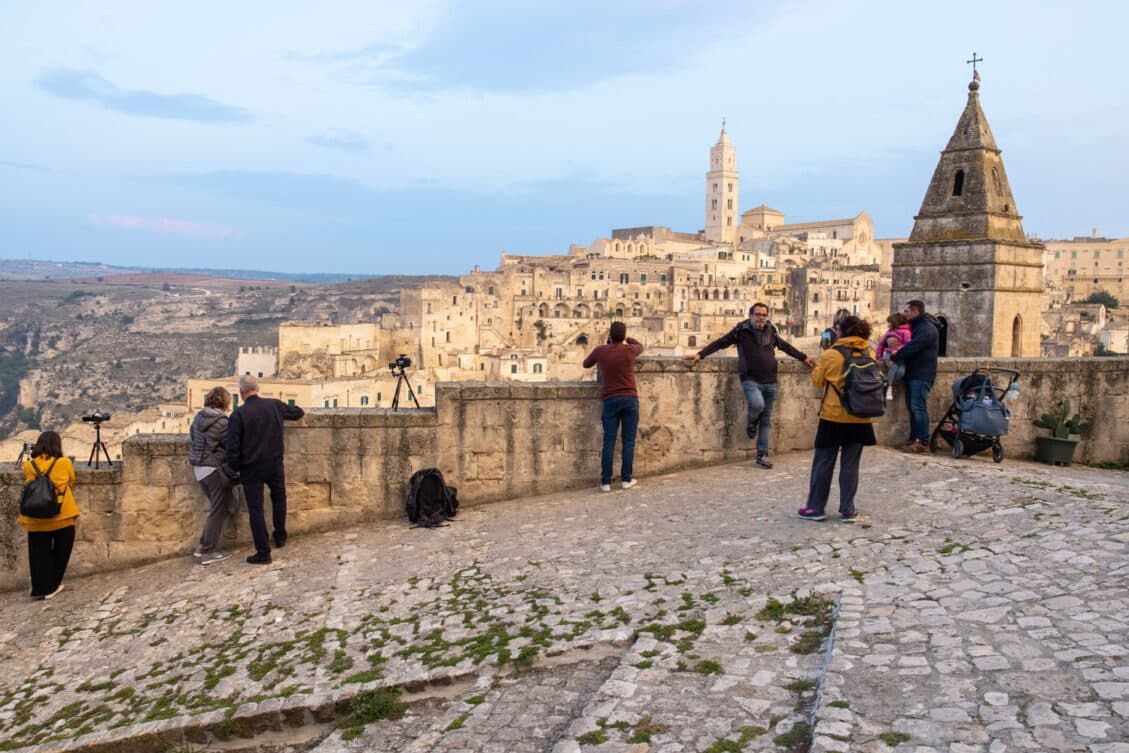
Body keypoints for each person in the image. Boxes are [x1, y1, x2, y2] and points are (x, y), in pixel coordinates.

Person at [685, 302, 816, 469]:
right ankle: (752, 421)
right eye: (757, 314)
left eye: (763, 315)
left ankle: (762, 455)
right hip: (751, 379)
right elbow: (721, 343)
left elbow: (786, 347)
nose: (760, 317)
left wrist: (804, 357)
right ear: (750, 315)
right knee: (757, 405)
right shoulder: (741, 331)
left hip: (770, 380)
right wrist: (700, 354)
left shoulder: (771, 331)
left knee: (767, 420)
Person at [798, 316, 877, 522]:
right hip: (861, 417)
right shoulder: (870, 352)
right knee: (851, 465)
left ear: (841, 332)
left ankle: (816, 508)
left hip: (833, 416)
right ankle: (848, 509)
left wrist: (821, 361)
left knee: (823, 463)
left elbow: (817, 381)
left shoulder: (831, 354)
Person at [226, 375, 304, 564]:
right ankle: (280, 535)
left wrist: (235, 468)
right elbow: (298, 412)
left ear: (242, 393)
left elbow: (232, 447)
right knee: (279, 498)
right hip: (274, 464)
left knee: (256, 510)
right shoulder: (274, 405)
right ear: (257, 388)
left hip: (250, 468)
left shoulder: (238, 415)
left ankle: (263, 552)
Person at [583, 321, 644, 492]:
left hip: (610, 400)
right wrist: (627, 339)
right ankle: (626, 479)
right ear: (623, 336)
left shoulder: (601, 351)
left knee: (609, 441)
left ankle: (606, 482)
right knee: (628, 441)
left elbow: (586, 364)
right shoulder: (630, 350)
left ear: (610, 335)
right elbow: (640, 345)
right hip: (630, 399)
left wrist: (606, 345)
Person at [20, 431, 78, 599]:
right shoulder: (64, 462)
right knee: (62, 551)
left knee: (38, 553)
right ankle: (53, 585)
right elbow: (71, 480)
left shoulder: (29, 465)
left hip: (35, 517)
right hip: (62, 515)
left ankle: (40, 589)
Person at [188, 386, 238, 565]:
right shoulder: (222, 422)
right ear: (224, 402)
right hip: (213, 469)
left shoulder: (198, 417)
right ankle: (207, 551)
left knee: (220, 507)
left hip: (199, 468)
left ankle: (203, 545)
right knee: (219, 509)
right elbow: (229, 446)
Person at [888, 300, 940, 453]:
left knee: (918, 407)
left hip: (922, 374)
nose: (904, 314)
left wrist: (895, 357)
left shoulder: (926, 329)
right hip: (913, 373)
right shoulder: (917, 326)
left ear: (915, 312)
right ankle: (913, 439)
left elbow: (914, 347)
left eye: (906, 311)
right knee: (912, 407)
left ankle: (922, 441)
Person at [876, 312, 912, 401]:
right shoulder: (889, 332)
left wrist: (898, 349)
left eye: (889, 322)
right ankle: (889, 387)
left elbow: (908, 344)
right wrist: (878, 355)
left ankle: (886, 381)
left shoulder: (906, 332)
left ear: (895, 322)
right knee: (894, 366)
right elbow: (881, 344)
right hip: (888, 354)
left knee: (901, 372)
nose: (888, 324)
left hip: (900, 355)